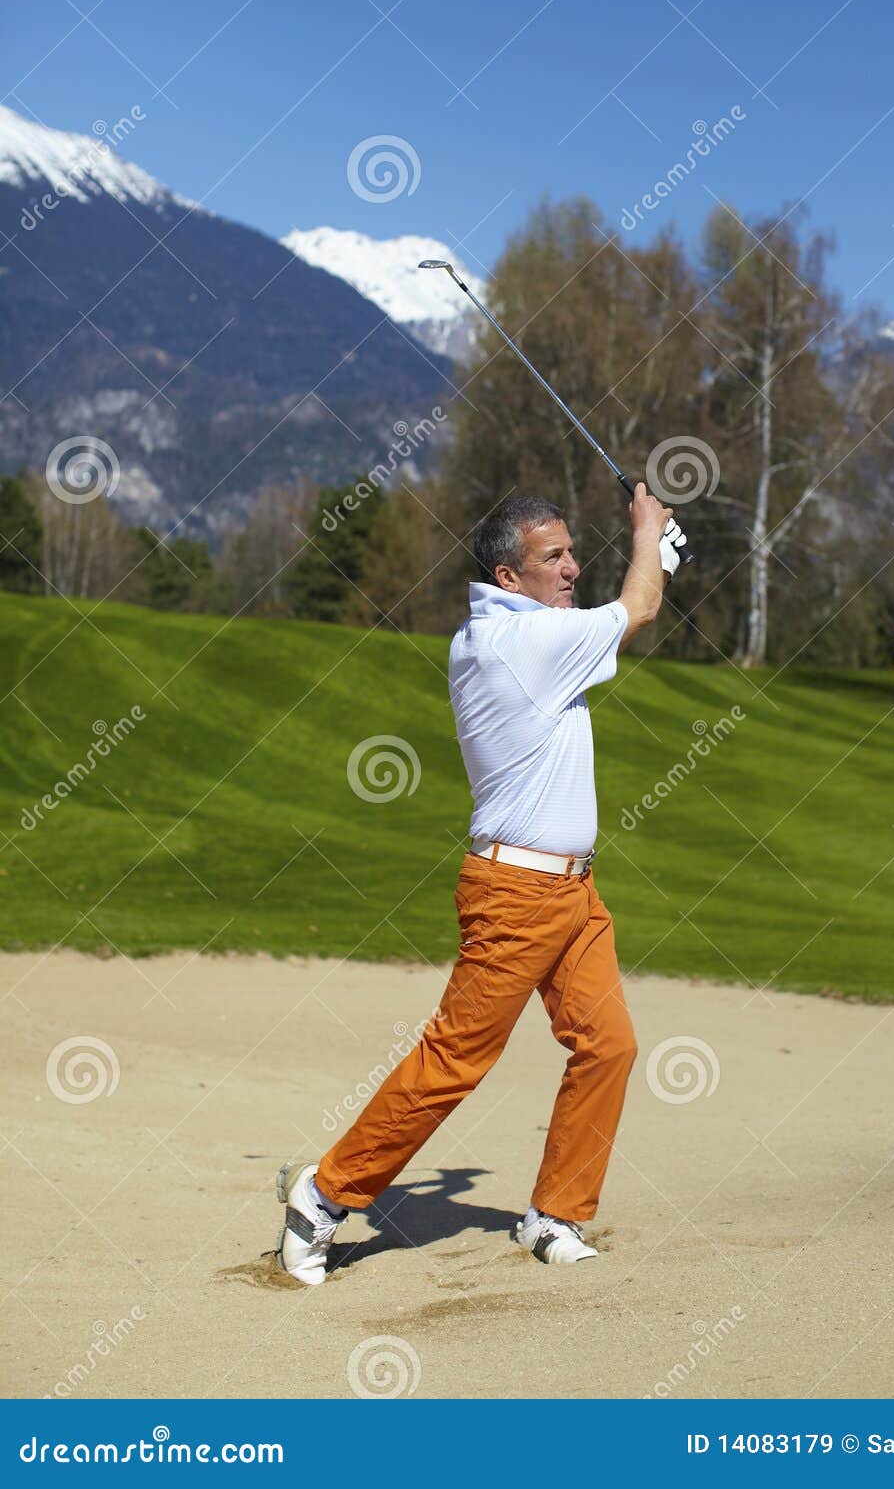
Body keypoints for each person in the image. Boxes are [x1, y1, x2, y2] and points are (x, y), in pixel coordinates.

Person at [276, 483, 686, 1283]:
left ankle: (554, 1214)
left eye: (572, 551)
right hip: (516, 894)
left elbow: (628, 606)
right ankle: (323, 1196)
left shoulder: (512, 632)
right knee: (455, 1058)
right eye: (553, 557)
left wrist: (650, 561)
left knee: (608, 1044)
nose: (571, 566)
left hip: (572, 894)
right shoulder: (520, 645)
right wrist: (648, 537)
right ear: (508, 577)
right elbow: (634, 609)